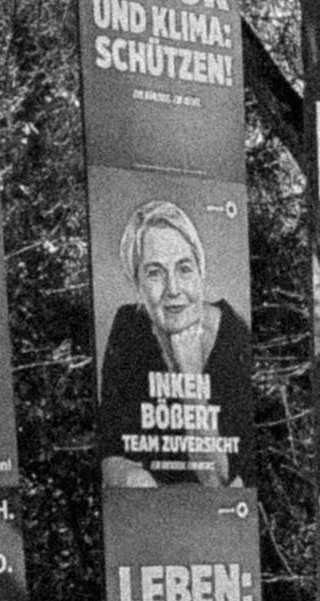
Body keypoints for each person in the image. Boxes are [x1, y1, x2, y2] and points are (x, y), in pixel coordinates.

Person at [97, 192, 256, 485]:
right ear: (137, 284)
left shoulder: (235, 339)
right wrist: (132, 477)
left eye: (184, 269)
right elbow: (109, 451)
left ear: (200, 271)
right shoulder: (129, 327)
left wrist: (190, 379)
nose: (173, 289)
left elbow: (219, 481)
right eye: (155, 273)